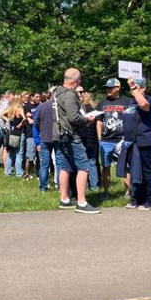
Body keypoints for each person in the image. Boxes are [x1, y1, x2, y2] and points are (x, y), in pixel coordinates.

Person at [51, 68, 99, 214]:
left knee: (64, 167)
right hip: (71, 135)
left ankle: (64, 199)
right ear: (76, 81)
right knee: (84, 166)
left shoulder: (56, 93)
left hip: (58, 135)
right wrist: (87, 119)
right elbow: (73, 117)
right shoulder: (70, 95)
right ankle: (82, 202)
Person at [119, 77, 151, 210]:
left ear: (142, 88)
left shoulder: (150, 100)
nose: (132, 90)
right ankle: (136, 199)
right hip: (131, 142)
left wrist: (133, 87)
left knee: (147, 172)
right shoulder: (130, 102)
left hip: (145, 141)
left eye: (135, 87)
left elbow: (144, 105)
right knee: (135, 171)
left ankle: (150, 201)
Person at [96, 78, 131, 199]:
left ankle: (127, 193)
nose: (108, 90)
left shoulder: (127, 101)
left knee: (126, 166)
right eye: (107, 88)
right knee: (105, 167)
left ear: (118, 88)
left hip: (122, 140)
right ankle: (106, 192)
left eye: (110, 88)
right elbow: (99, 121)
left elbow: (132, 119)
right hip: (106, 141)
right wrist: (99, 138)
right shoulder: (102, 102)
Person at [79, 91, 100, 190]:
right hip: (93, 138)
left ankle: (85, 186)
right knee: (93, 162)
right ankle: (95, 186)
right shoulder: (94, 110)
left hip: (83, 138)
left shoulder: (80, 110)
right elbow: (98, 124)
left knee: (83, 163)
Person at [34, 94, 55, 191]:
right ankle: (60, 185)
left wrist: (41, 131)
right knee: (59, 163)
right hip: (57, 137)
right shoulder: (59, 106)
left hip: (44, 137)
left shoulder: (41, 106)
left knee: (44, 164)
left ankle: (43, 187)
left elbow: (36, 122)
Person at [1, 95, 26, 178]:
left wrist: (8, 120)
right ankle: (19, 173)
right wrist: (21, 124)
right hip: (19, 133)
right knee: (19, 153)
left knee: (11, 152)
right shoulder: (20, 109)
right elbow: (24, 118)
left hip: (12, 132)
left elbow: (2, 115)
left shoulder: (10, 108)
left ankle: (7, 171)